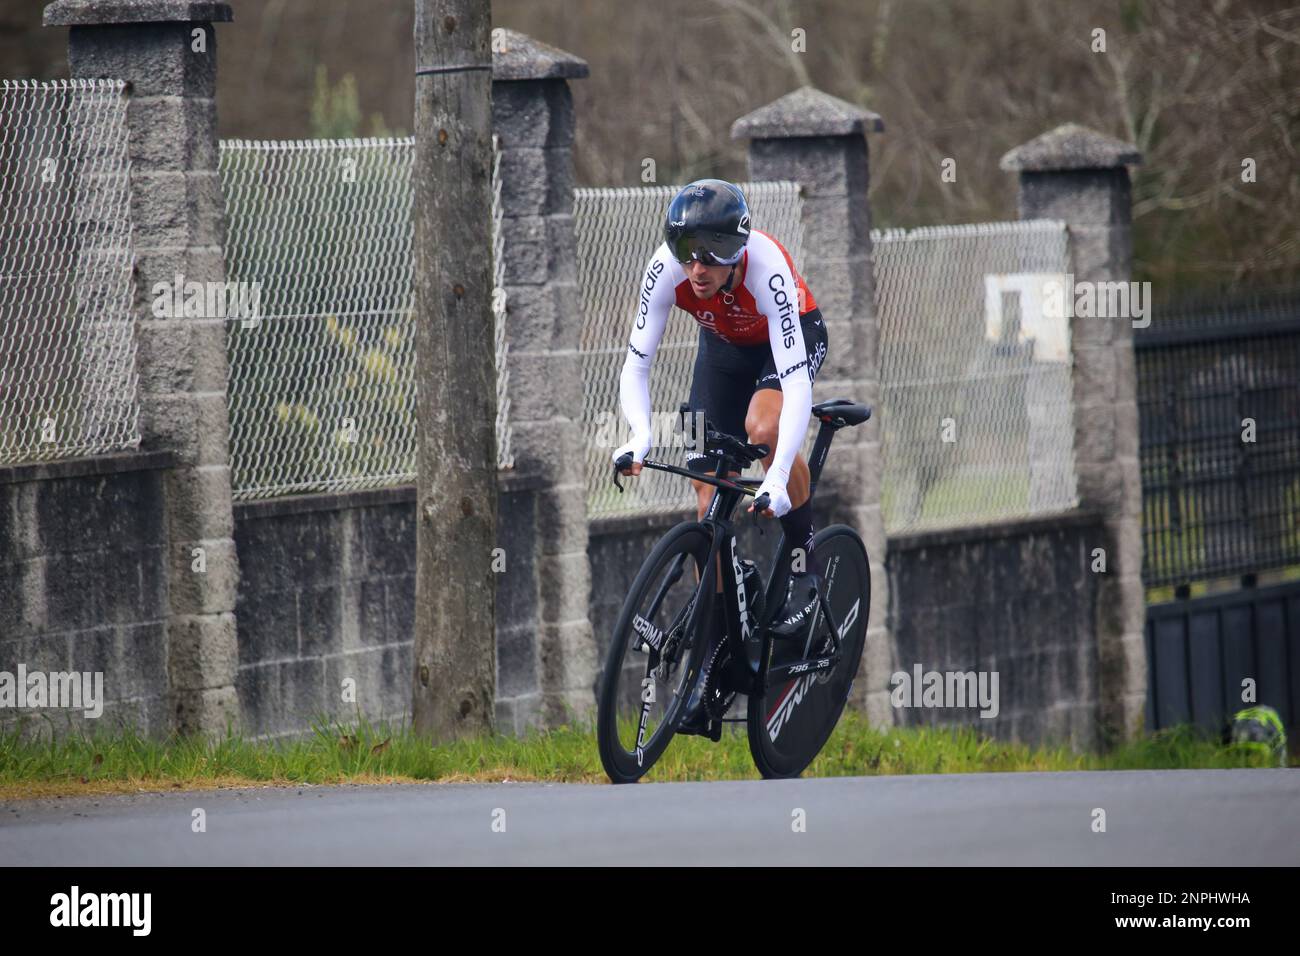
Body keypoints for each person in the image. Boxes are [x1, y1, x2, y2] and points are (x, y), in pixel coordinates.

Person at [611, 178, 829, 732]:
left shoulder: (767, 267)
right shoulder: (666, 270)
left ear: (738, 250)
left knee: (764, 423)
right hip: (724, 351)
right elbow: (636, 365)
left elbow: (798, 390)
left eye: (712, 254)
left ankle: (806, 565)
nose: (697, 267)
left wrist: (776, 476)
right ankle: (715, 655)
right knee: (706, 492)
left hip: (789, 341)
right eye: (688, 252)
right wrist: (639, 436)